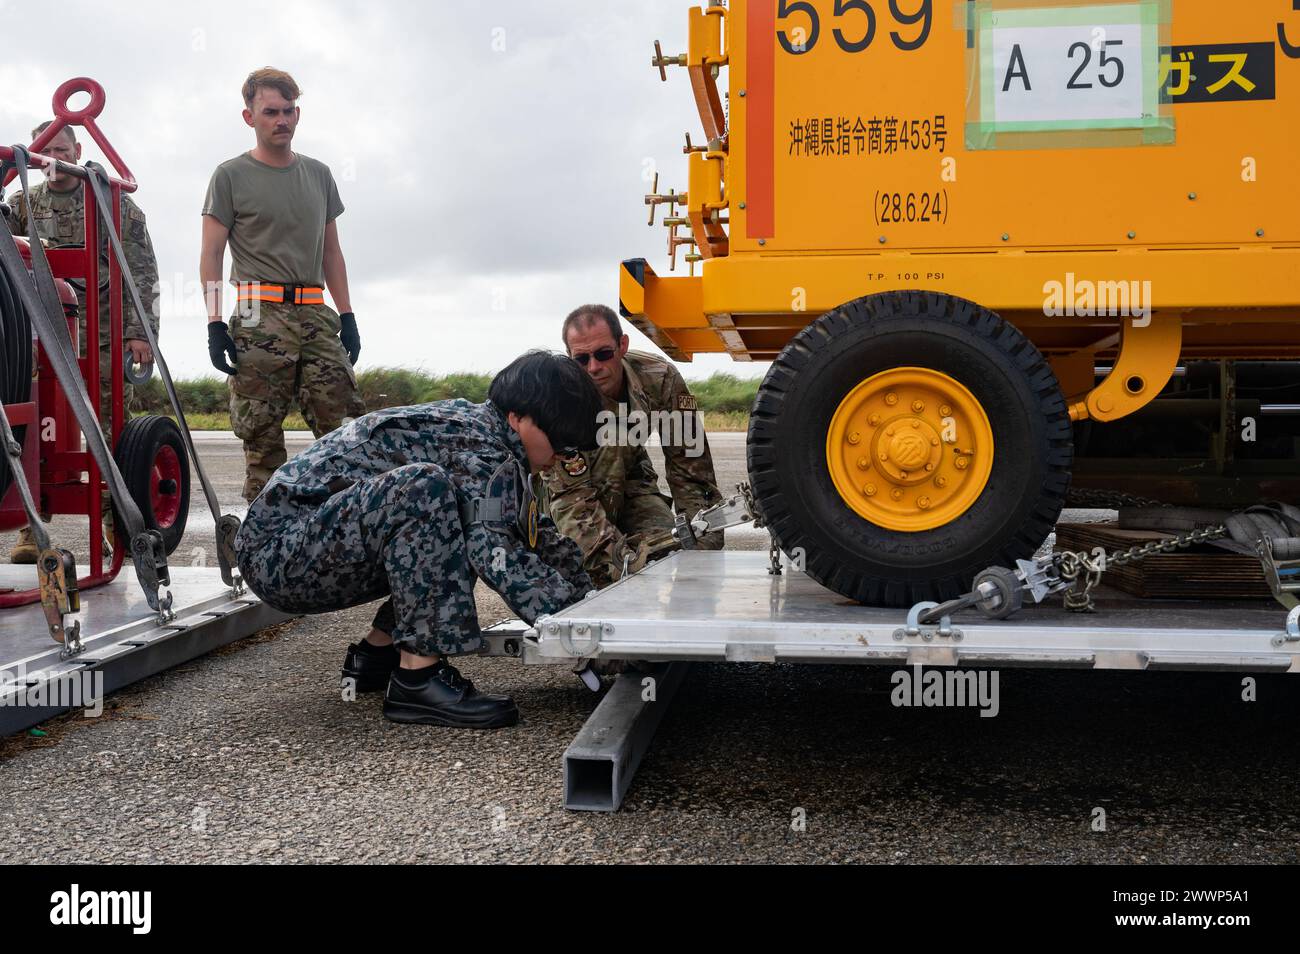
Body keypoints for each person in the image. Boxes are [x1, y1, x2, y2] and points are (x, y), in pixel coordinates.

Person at [235, 351, 603, 729]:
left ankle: (377, 655)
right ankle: (417, 679)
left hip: (294, 547)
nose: (562, 456)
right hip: (277, 554)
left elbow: (535, 534)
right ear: (519, 418)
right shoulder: (481, 450)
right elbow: (499, 555)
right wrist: (585, 636)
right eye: (562, 443)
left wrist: (591, 604)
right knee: (427, 490)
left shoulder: (486, 438)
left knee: (457, 516)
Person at [200, 66, 365, 504]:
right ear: (249, 116)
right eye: (271, 111)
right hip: (258, 312)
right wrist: (215, 323)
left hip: (314, 312)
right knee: (261, 436)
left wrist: (347, 316)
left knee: (346, 430)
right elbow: (211, 254)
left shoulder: (319, 175)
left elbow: (332, 253)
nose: (282, 121)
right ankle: (264, 542)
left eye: (289, 111)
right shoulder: (230, 176)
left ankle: (340, 533)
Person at [4, 121, 160, 562]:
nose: (55, 158)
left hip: (104, 337)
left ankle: (120, 528)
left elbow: (142, 271)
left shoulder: (112, 203)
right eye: (46, 150)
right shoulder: (21, 205)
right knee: (37, 432)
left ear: (77, 149)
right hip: (42, 340)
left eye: (62, 148)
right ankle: (35, 531)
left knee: (108, 433)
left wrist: (140, 332)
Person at [544, 304, 724, 587]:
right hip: (572, 499)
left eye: (604, 354)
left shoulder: (659, 377)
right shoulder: (559, 399)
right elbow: (571, 501)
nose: (594, 367)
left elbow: (691, 466)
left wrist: (703, 542)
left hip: (631, 486)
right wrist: (619, 562)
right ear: (570, 358)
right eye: (581, 359)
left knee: (671, 554)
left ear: (622, 345)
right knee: (598, 578)